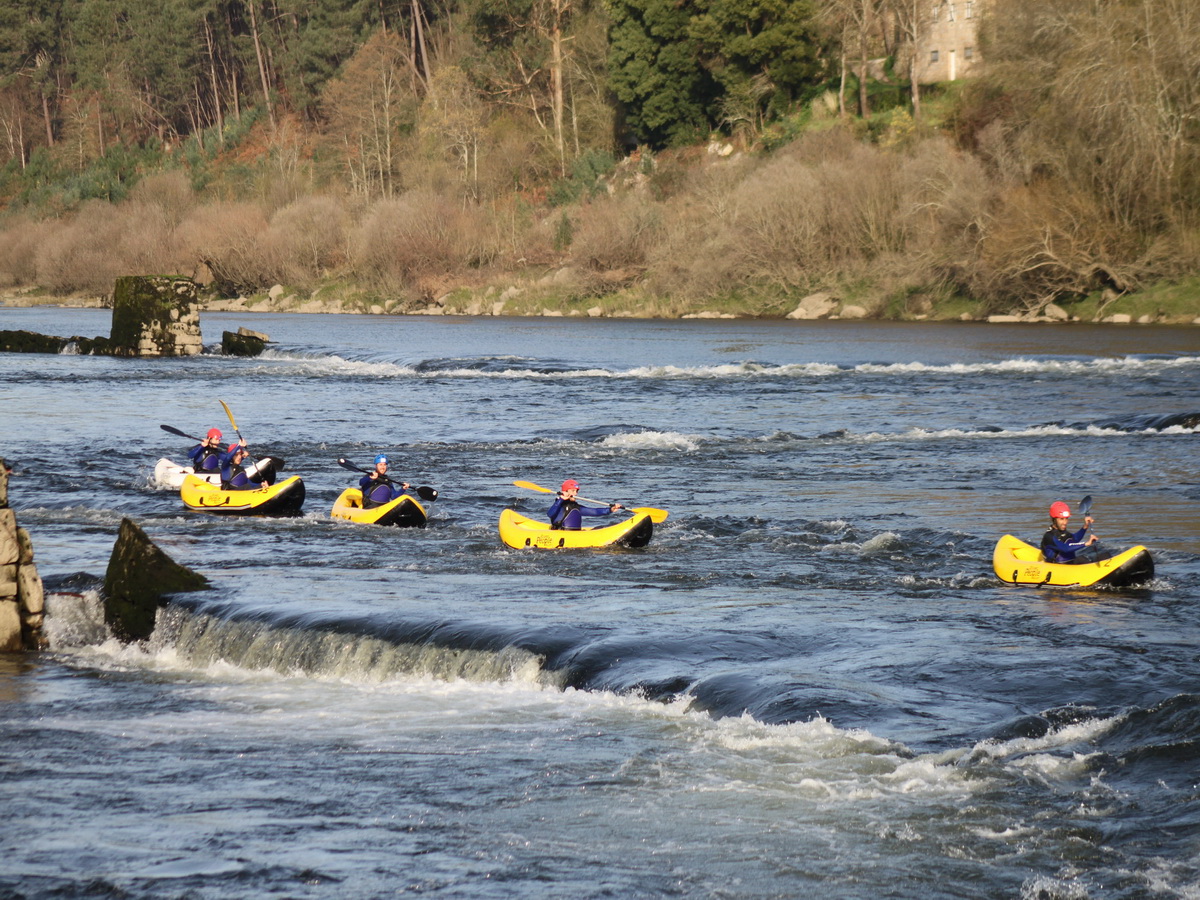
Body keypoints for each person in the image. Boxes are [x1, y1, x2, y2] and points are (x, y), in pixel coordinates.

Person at [547, 479, 623, 530]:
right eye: (573, 491)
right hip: (561, 533)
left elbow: (594, 512)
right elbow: (550, 514)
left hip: (575, 533)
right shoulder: (559, 504)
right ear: (565, 491)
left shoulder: (575, 507)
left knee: (601, 527)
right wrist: (561, 499)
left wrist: (610, 510)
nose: (575, 493)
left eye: (576, 491)